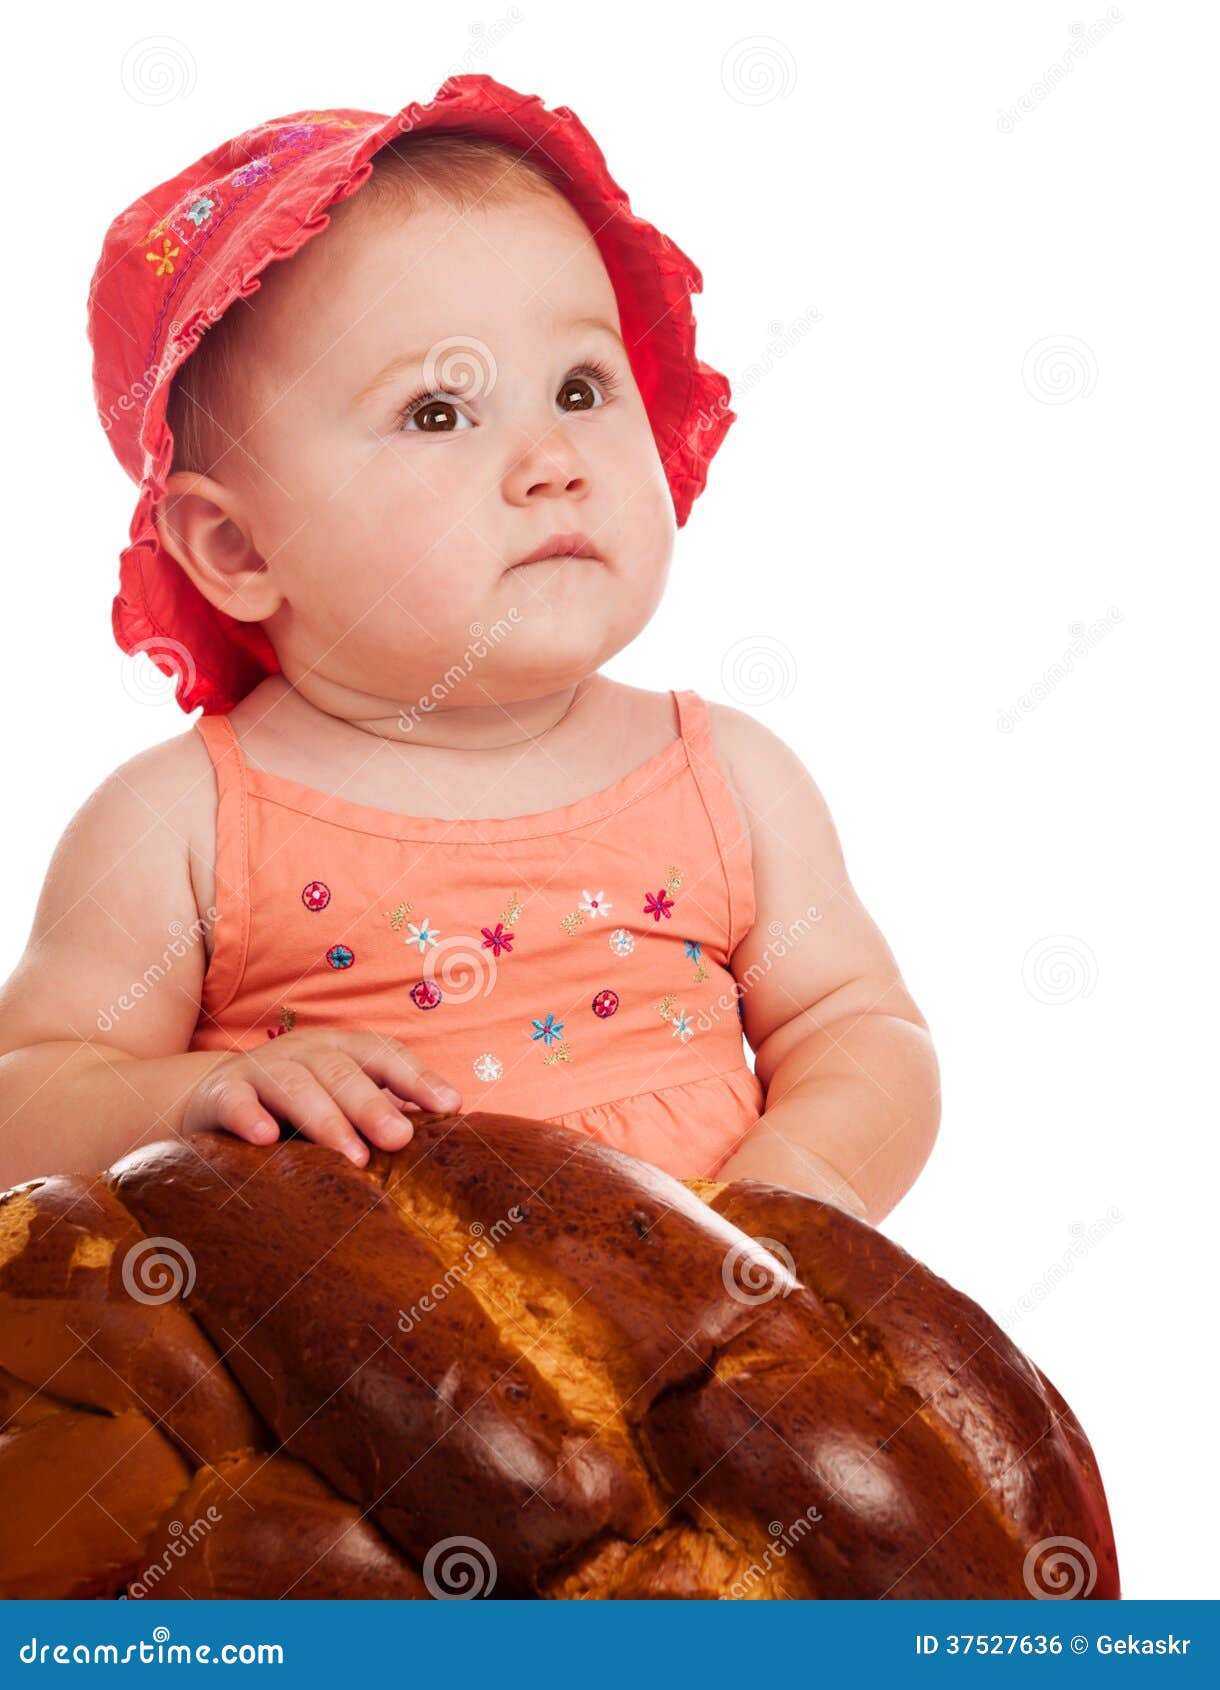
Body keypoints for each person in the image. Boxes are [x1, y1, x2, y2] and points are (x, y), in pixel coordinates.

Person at [0, 76, 938, 1222]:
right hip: (336, 1384)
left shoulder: (730, 781)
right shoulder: (181, 826)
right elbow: (25, 1102)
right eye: (438, 412)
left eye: (582, 387)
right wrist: (195, 1092)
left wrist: (787, 1201)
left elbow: (862, 1029)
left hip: (715, 1365)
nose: (551, 457)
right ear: (236, 544)